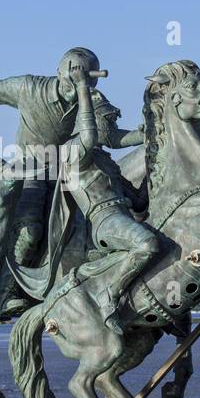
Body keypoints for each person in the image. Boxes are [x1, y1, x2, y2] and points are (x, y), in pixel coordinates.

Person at [0, 35, 142, 320]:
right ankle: (8, 293)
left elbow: (110, 136)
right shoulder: (29, 87)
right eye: (74, 81)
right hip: (30, 171)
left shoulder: (88, 100)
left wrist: (145, 133)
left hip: (70, 170)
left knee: (118, 205)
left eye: (87, 83)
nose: (79, 88)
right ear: (60, 72)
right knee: (30, 232)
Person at [55, 67, 159, 335]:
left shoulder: (105, 161)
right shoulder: (72, 151)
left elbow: (137, 202)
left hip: (121, 215)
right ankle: (108, 298)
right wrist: (82, 88)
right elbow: (91, 136)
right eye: (108, 120)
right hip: (104, 221)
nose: (113, 126)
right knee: (147, 244)